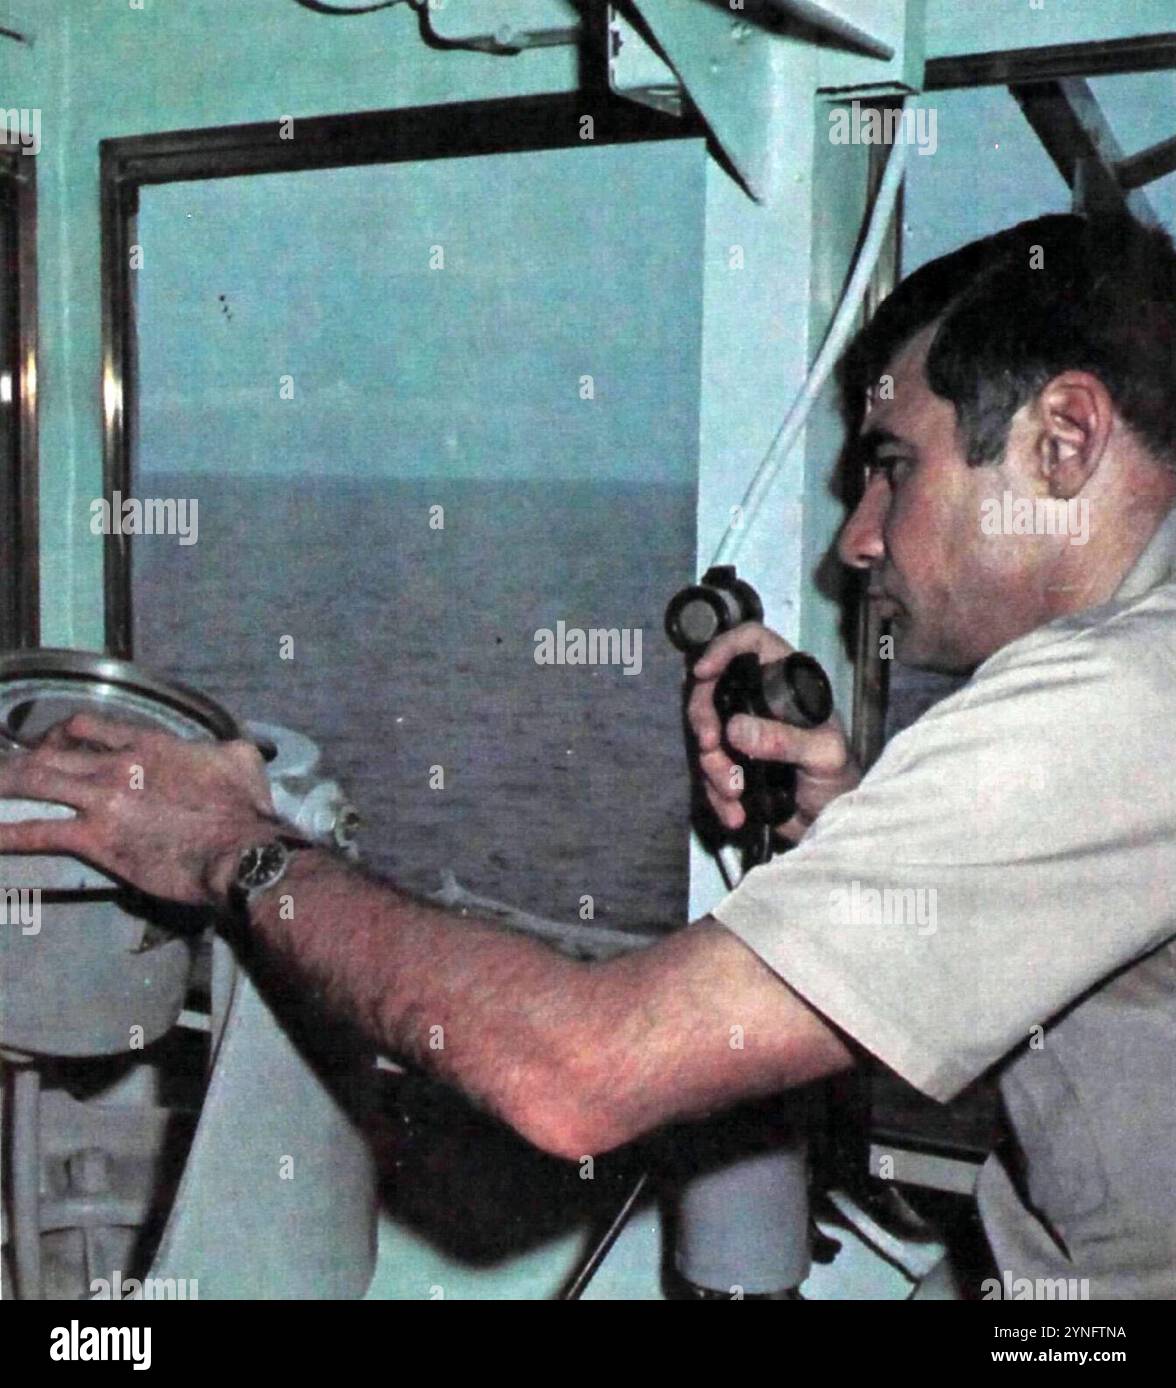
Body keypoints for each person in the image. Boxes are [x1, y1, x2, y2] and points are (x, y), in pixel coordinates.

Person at [2, 212, 1175, 1298]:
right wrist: (856, 827)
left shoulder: (1123, 691)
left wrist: (228, 848)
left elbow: (578, 1078)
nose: (857, 539)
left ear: (1064, 437)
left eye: (894, 465)